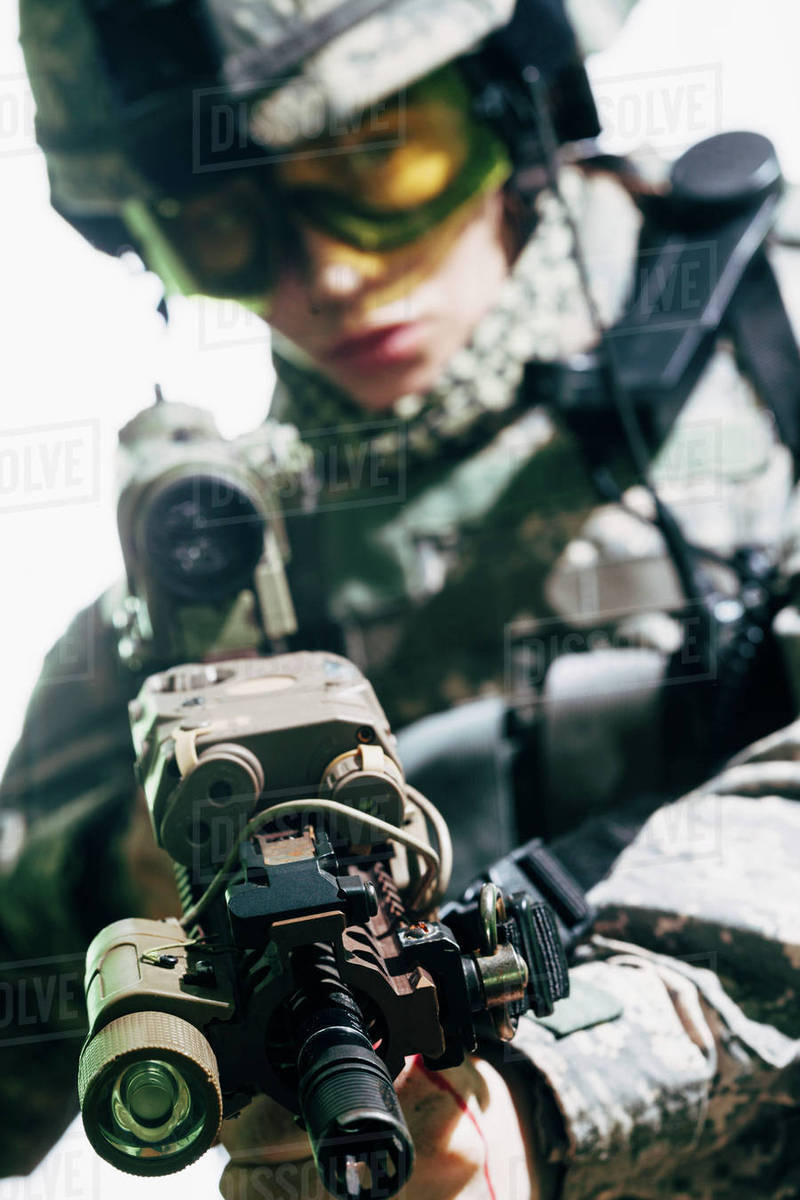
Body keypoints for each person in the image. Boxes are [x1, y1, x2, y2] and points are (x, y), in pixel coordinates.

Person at [2, 0, 799, 1195]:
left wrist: (540, 1098)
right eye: (219, 225)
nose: (328, 275)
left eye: (377, 160)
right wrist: (116, 882)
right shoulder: (196, 594)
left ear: (508, 93)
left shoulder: (774, 341)